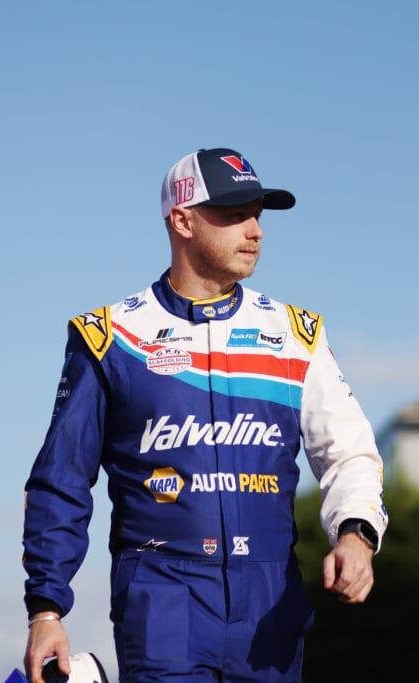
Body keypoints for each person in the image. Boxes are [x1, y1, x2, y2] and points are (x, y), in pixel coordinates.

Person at [21, 148, 388, 682]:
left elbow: (349, 452)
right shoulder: (110, 337)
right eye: (235, 213)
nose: (255, 229)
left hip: (270, 599)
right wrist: (46, 610)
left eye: (259, 213)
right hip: (162, 594)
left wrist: (355, 534)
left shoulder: (294, 334)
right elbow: (61, 480)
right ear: (182, 220)